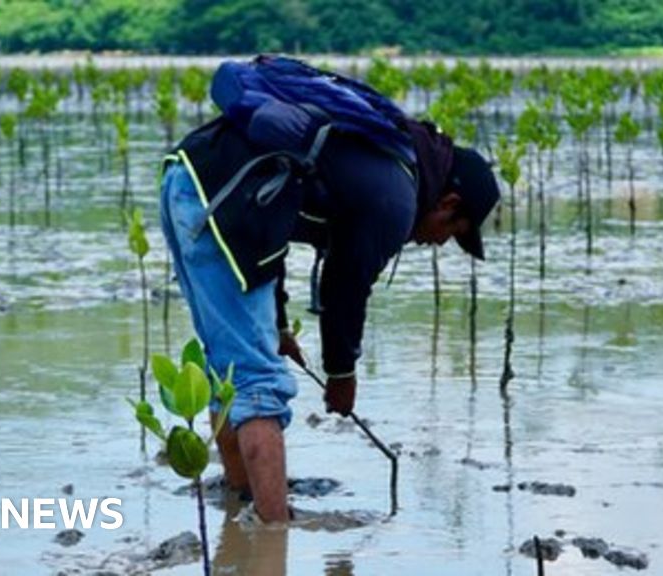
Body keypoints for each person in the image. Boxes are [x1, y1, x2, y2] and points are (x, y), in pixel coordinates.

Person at [158, 59, 499, 524]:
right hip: (220, 204)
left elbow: (271, 213)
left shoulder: (384, 159)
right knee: (259, 382)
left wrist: (278, 325)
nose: (438, 241)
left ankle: (241, 504)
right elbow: (345, 287)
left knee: (231, 368)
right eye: (452, 230)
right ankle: (274, 530)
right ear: (449, 202)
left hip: (188, 177)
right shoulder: (396, 198)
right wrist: (342, 376)